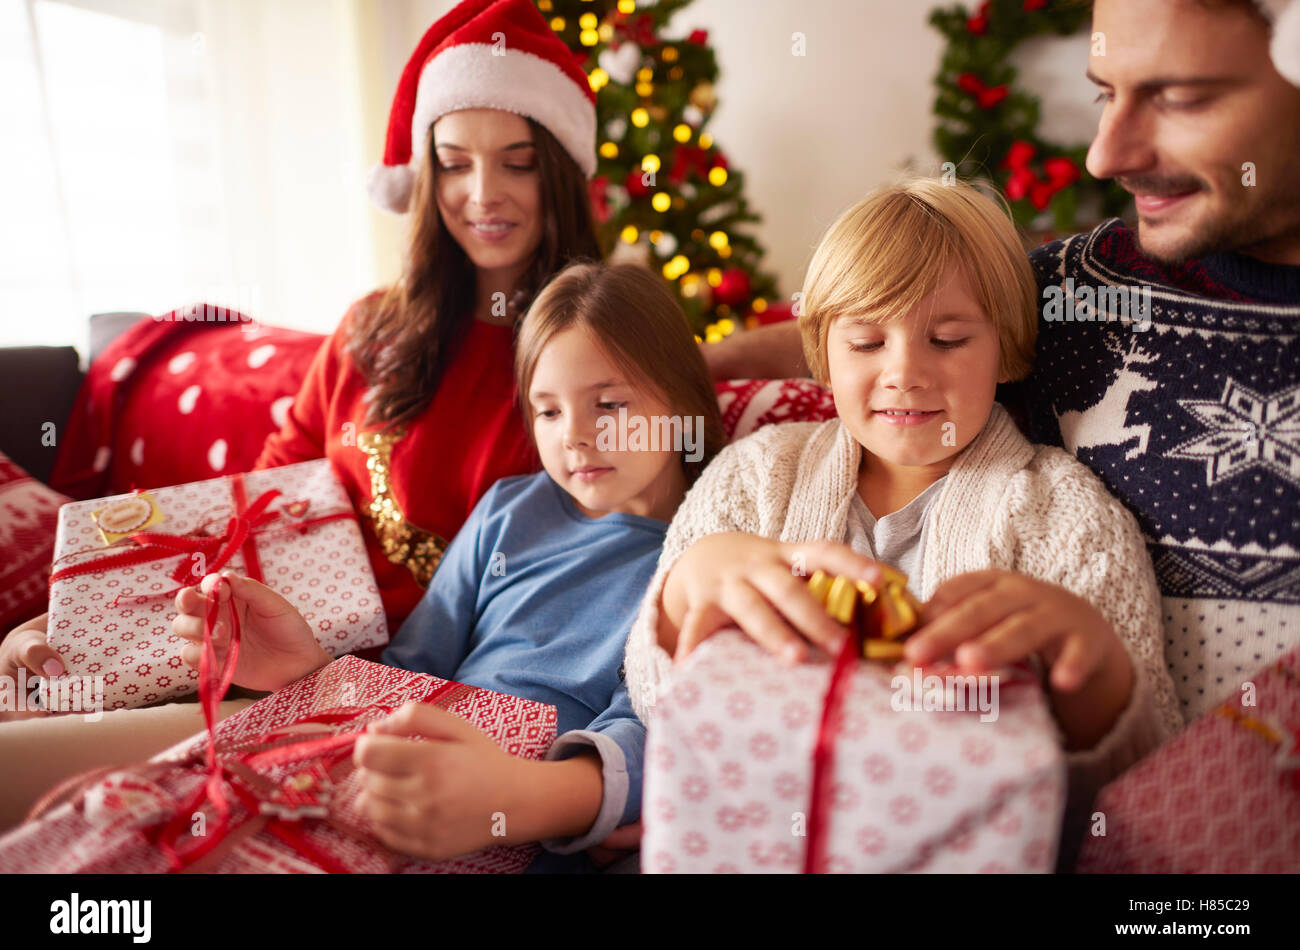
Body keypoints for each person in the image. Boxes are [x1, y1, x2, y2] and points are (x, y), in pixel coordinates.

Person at [0, 0, 603, 824]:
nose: (482, 193)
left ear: (561, 171)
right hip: (238, 652)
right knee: (25, 702)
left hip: (371, 708)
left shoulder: (590, 366)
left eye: (519, 161)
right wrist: (83, 607)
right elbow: (252, 506)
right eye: (454, 162)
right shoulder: (369, 330)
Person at [700, 0, 1300, 723]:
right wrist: (652, 382)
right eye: (1105, 93)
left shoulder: (1062, 513)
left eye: (1180, 98)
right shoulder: (1081, 290)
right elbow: (881, 313)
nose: (1105, 156)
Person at [623, 178, 1185, 864]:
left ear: (1007, 347)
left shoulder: (1066, 514)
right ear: (821, 351)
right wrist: (685, 592)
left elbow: (1145, 777)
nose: (905, 372)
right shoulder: (753, 476)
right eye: (865, 342)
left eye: (946, 339)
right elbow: (655, 702)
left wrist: (1096, 671)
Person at [171, 261, 724, 871]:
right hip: (400, 776)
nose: (576, 437)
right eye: (548, 412)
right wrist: (307, 674)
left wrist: (527, 796)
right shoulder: (509, 512)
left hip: (517, 822)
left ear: (680, 396)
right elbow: (413, 673)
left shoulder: (701, 554)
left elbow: (646, 733)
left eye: (609, 404)